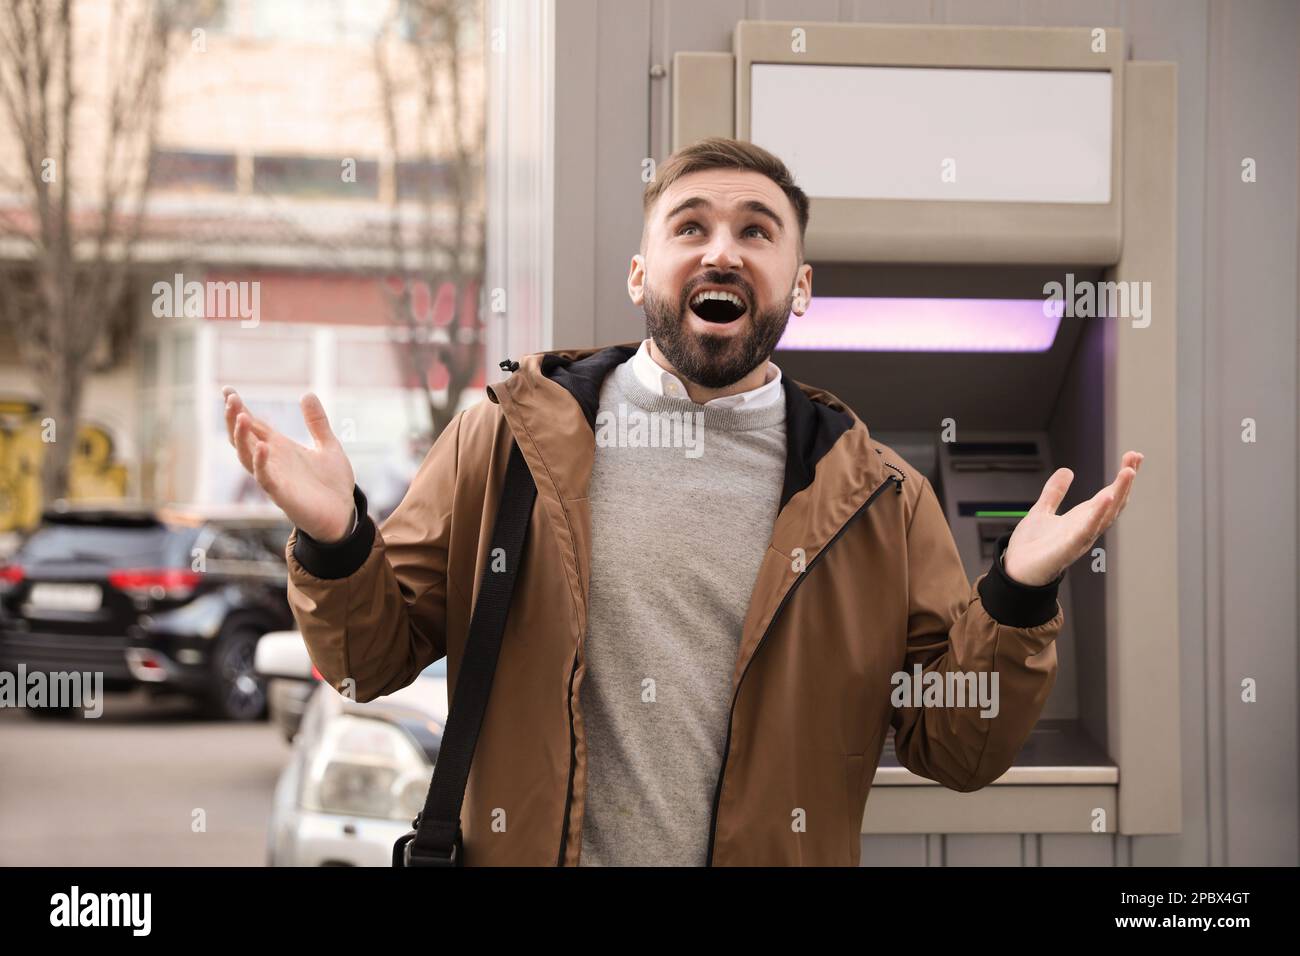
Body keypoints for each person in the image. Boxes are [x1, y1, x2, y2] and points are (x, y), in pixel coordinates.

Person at [222, 137, 1142, 867]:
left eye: (757, 231)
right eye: (690, 225)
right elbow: (369, 663)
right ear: (640, 272)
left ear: (802, 285)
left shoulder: (879, 499)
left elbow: (957, 748)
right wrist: (338, 539)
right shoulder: (503, 444)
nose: (722, 250)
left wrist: (1016, 595)